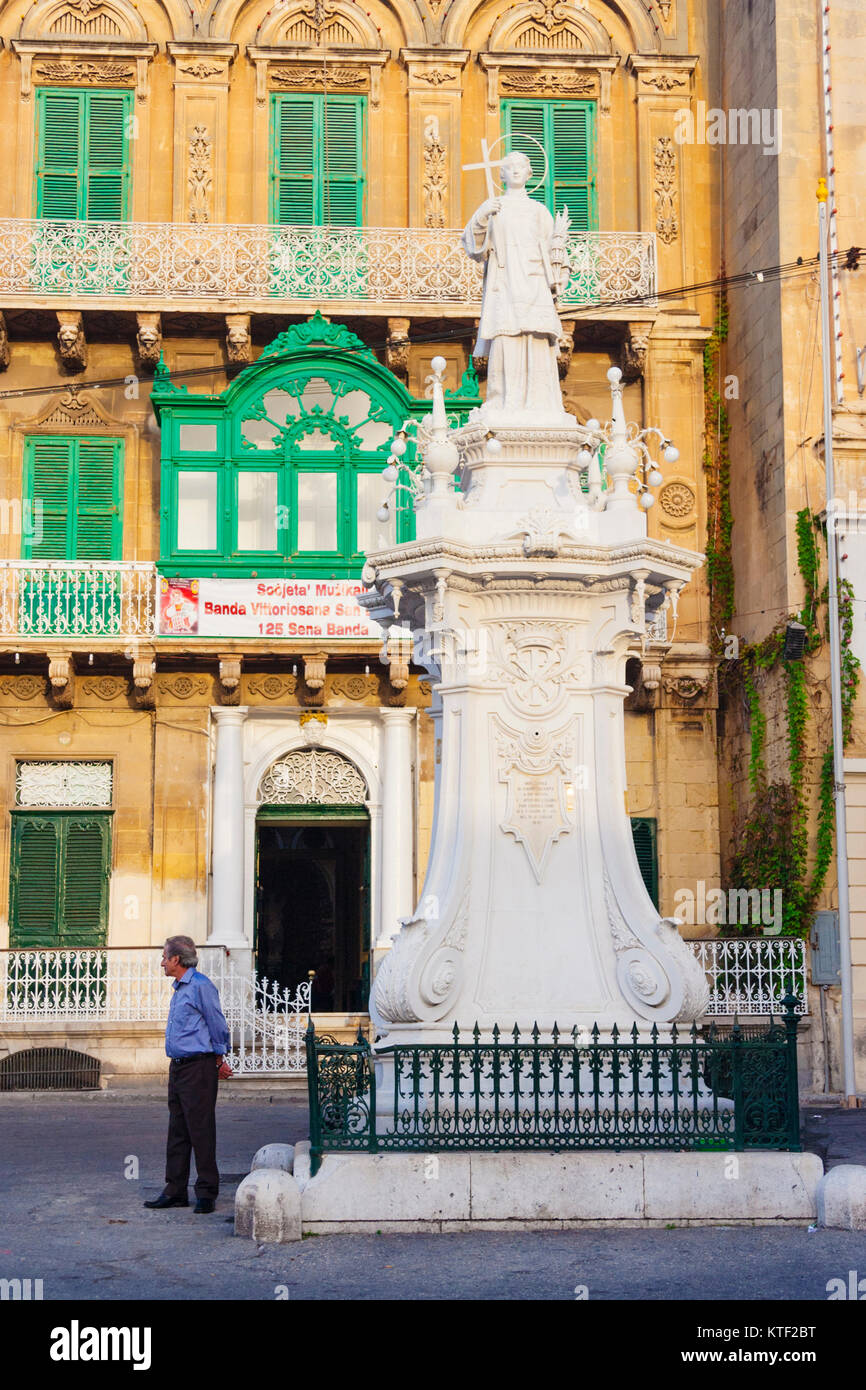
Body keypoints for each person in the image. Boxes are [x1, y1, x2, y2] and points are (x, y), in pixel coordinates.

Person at [461, 149, 574, 427]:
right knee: (506, 338)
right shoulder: (494, 208)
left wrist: (559, 276)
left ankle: (538, 401)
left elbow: (555, 249)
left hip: (534, 282)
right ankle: (504, 399)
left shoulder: (538, 211)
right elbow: (474, 249)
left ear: (529, 174)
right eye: (509, 166)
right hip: (505, 285)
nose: (514, 170)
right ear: (501, 174)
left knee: (534, 338)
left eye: (520, 166)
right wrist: (481, 216)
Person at [144, 936, 232, 1215]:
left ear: (176, 960)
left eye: (164, 957)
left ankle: (206, 1192)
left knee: (201, 1129)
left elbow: (216, 1022)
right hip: (179, 1066)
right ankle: (175, 1190)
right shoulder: (180, 989)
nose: (161, 963)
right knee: (177, 1130)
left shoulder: (201, 986)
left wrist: (219, 1057)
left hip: (199, 1066)